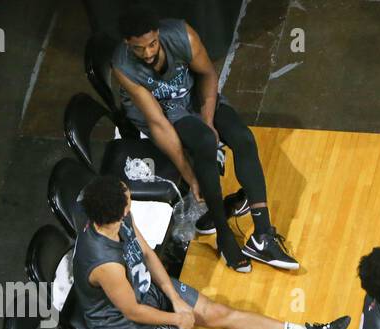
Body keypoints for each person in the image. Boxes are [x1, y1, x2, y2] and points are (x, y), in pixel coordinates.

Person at [73, 176, 345, 329]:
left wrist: (176, 299)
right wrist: (176, 318)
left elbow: (146, 254)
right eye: (127, 198)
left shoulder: (119, 218)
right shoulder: (104, 263)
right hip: (122, 320)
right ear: (120, 210)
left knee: (217, 313)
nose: (129, 193)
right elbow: (133, 311)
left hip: (145, 290)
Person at [113, 3, 297, 271]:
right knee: (205, 143)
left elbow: (208, 74)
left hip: (195, 97)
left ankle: (262, 236)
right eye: (139, 48)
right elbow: (158, 123)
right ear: (127, 44)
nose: (148, 53)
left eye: (152, 44)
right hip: (165, 114)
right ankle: (223, 234)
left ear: (159, 33)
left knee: (243, 138)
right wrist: (189, 176)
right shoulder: (123, 66)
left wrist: (209, 120)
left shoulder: (182, 35)